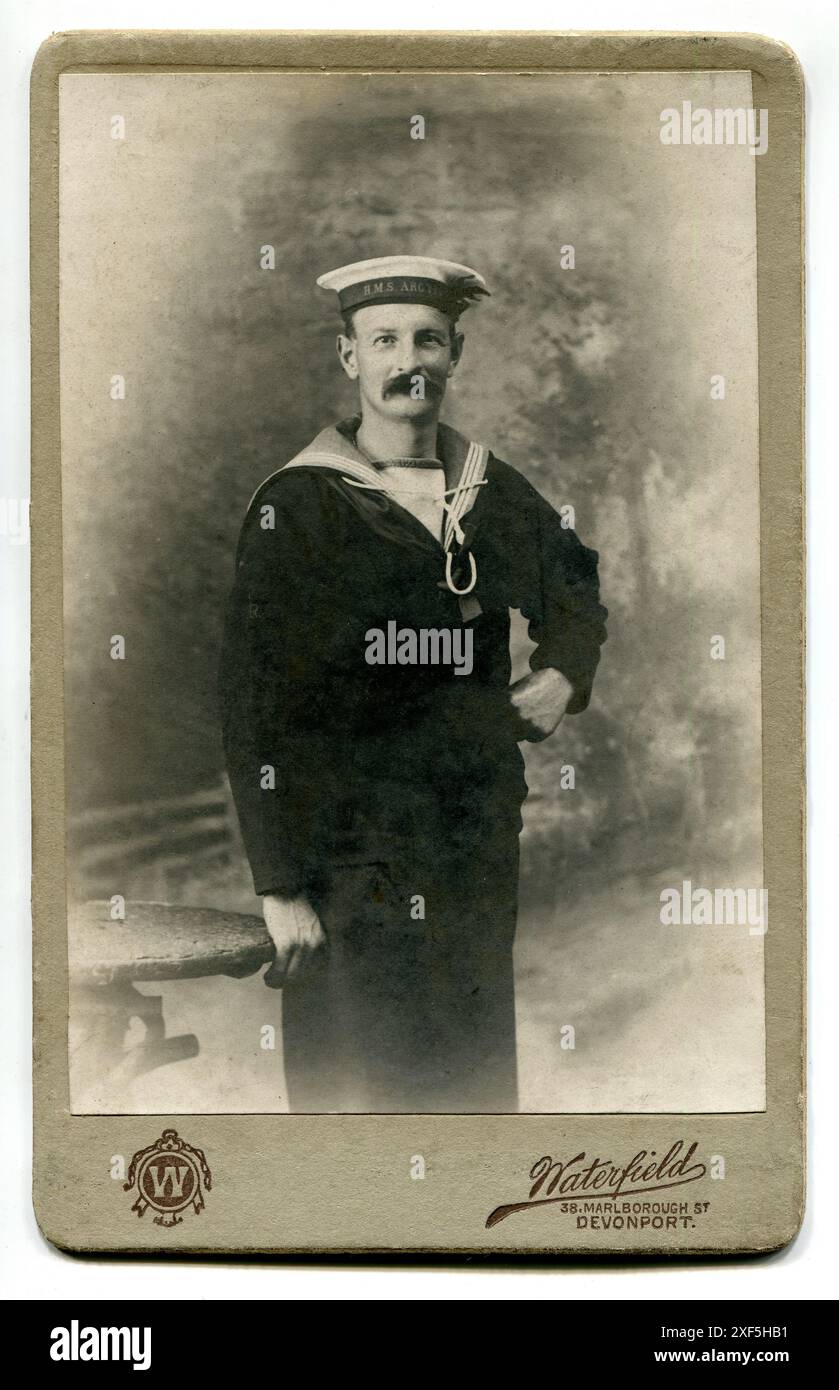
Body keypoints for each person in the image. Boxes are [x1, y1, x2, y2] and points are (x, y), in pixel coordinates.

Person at [218, 255, 607, 1112]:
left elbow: (574, 586)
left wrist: (563, 675)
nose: (409, 362)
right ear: (349, 358)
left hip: (471, 841)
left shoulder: (490, 491)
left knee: (471, 1089)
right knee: (359, 1101)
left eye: (427, 340)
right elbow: (250, 709)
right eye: (384, 340)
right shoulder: (302, 505)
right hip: (351, 858)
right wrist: (280, 887)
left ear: (455, 353)